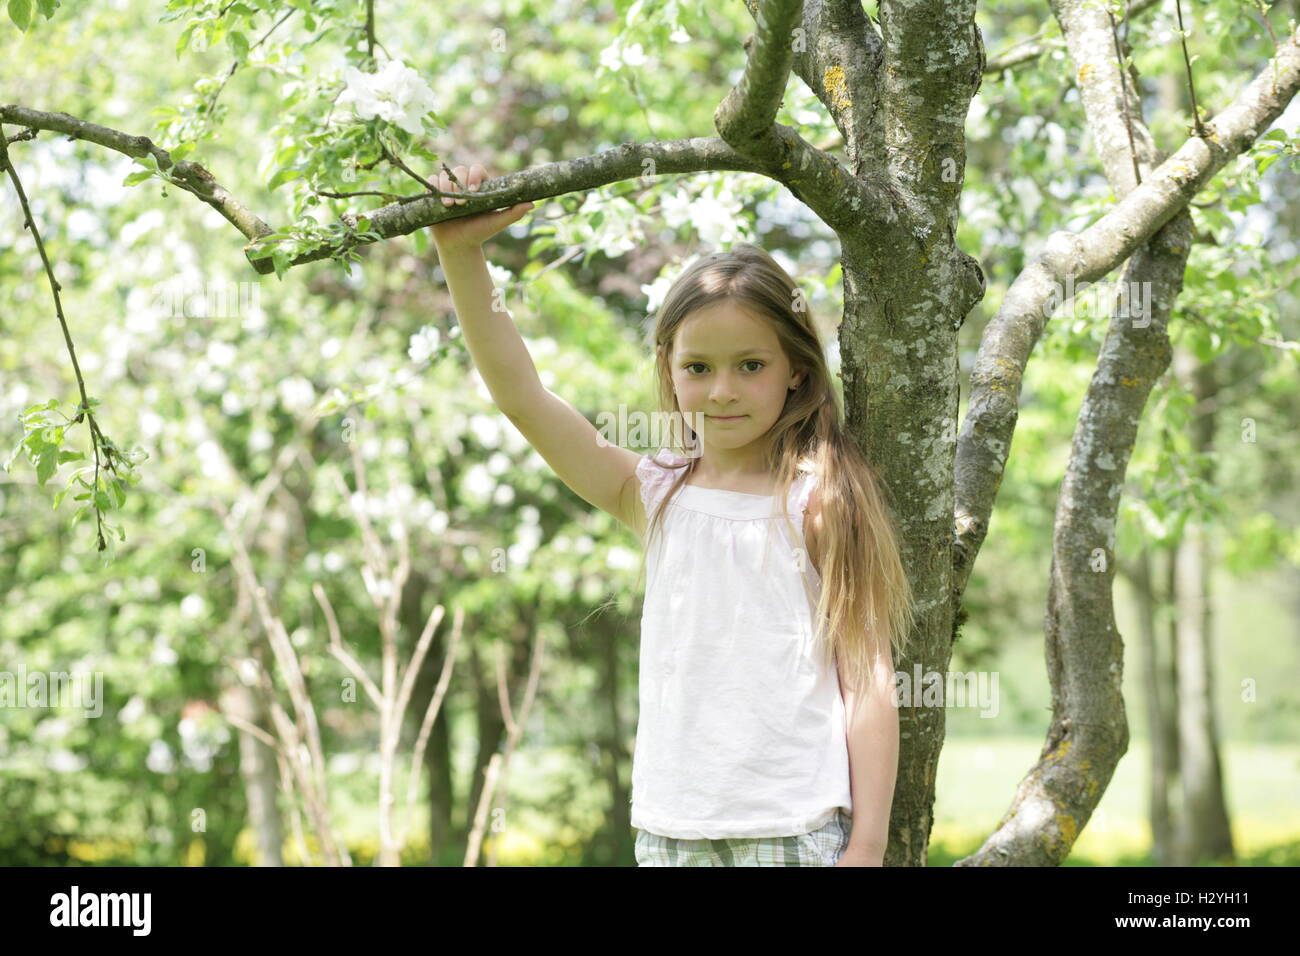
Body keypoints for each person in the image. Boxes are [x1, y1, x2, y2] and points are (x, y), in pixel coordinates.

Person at [431, 163, 915, 866]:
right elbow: (523, 398)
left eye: (751, 365)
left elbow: (867, 677)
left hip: (793, 831)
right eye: (699, 368)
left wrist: (867, 845)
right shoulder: (654, 492)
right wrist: (460, 254)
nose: (723, 390)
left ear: (797, 372)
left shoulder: (819, 500)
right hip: (668, 835)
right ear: (669, 368)